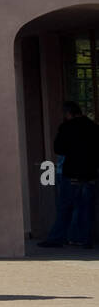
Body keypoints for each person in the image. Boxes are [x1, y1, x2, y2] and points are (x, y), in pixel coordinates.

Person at [40, 102, 98, 248]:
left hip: (72, 172)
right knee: (87, 209)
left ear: (68, 113)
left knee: (65, 208)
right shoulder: (93, 127)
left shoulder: (67, 127)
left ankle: (57, 238)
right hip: (90, 173)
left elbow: (59, 148)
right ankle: (86, 239)